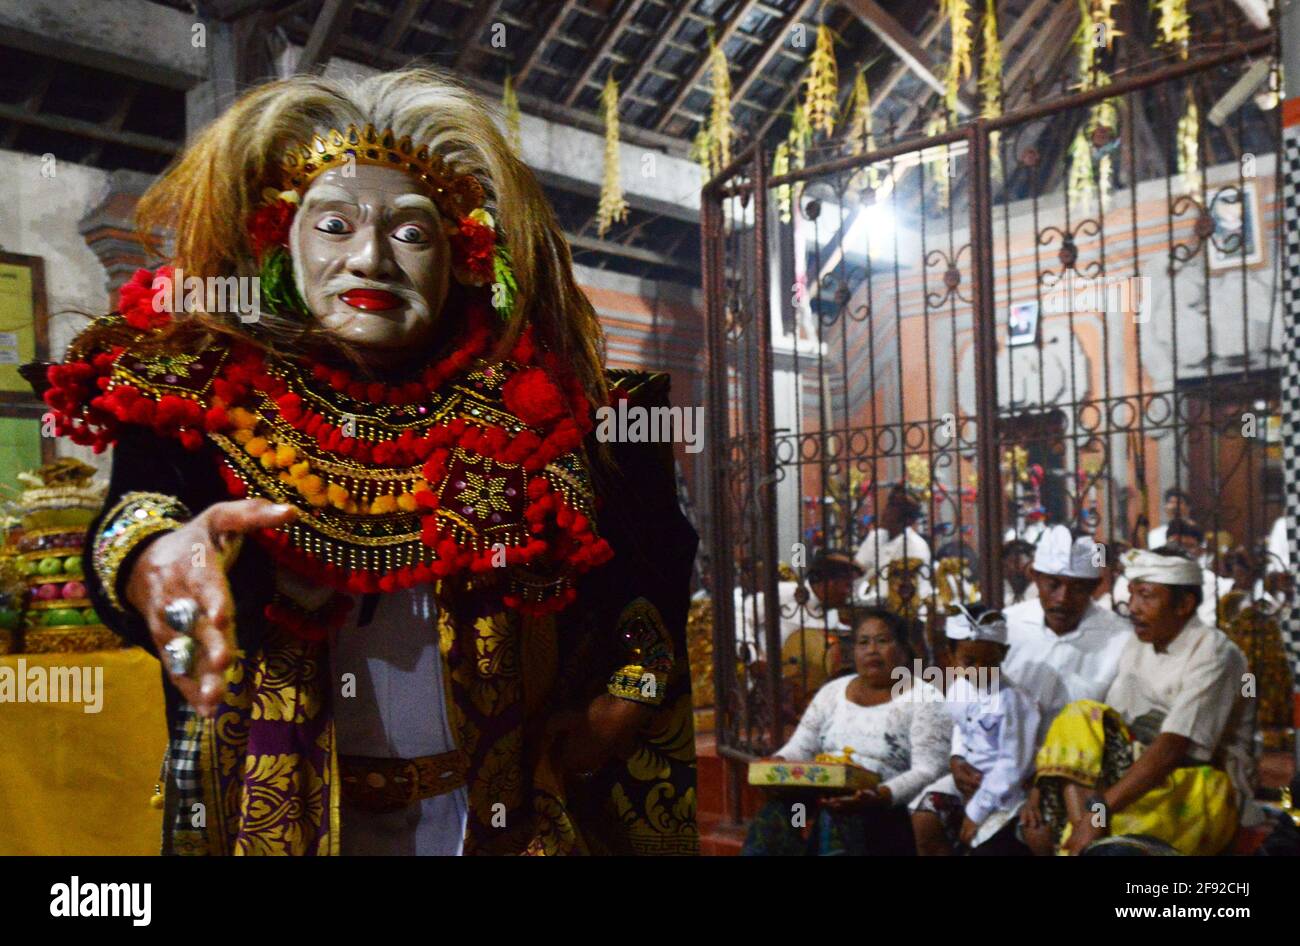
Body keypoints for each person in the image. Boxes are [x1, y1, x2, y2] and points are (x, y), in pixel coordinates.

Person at [40, 69, 698, 856]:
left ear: (463, 256)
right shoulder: (207, 398)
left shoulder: (554, 415)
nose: (370, 259)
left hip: (496, 819)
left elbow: (654, 564)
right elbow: (143, 509)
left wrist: (630, 690)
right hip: (273, 820)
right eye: (334, 226)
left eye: (411, 233)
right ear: (280, 242)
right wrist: (153, 560)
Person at [1024, 549, 1257, 856]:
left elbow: (1174, 746)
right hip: (1139, 770)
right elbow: (1104, 727)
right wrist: (1042, 787)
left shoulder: (1214, 652)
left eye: (1147, 596)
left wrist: (1099, 812)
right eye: (1132, 594)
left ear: (1184, 605)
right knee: (1079, 715)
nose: (1133, 607)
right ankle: (1088, 841)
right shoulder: (1140, 643)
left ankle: (1086, 837)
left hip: (1199, 781)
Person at [740, 608, 951, 856]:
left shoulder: (925, 699)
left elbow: (928, 770)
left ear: (904, 650)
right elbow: (802, 746)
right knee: (782, 811)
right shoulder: (833, 692)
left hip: (888, 811)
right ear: (854, 651)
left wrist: (880, 795)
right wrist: (778, 763)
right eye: (863, 642)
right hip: (817, 802)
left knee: (838, 817)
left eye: (883, 641)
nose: (872, 650)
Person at [911, 605, 1039, 856]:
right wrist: (957, 758)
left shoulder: (1013, 701)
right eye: (969, 661)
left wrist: (976, 811)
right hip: (968, 778)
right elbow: (961, 726)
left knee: (983, 844)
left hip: (1004, 790)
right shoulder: (960, 687)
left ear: (1004, 654)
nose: (979, 670)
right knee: (924, 819)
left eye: (990, 663)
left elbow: (1012, 765)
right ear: (951, 656)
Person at [1002, 525, 1130, 742]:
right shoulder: (1007, 626)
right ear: (1035, 577)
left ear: (1094, 587)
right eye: (1053, 585)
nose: (1063, 598)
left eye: (1078, 588)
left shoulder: (1121, 639)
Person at [735, 550, 859, 662]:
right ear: (830, 583)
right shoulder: (785, 592)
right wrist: (752, 656)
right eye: (848, 585)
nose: (849, 593)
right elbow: (743, 614)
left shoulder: (830, 612)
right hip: (767, 678)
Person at [854, 486, 930, 595]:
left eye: (893, 509)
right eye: (888, 505)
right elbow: (858, 570)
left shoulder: (915, 546)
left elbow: (899, 591)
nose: (885, 512)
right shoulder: (875, 536)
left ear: (908, 520)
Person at [1002, 538, 1038, 605]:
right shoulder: (1004, 585)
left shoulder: (1037, 585)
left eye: (1016, 561)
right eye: (1010, 562)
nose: (1012, 567)